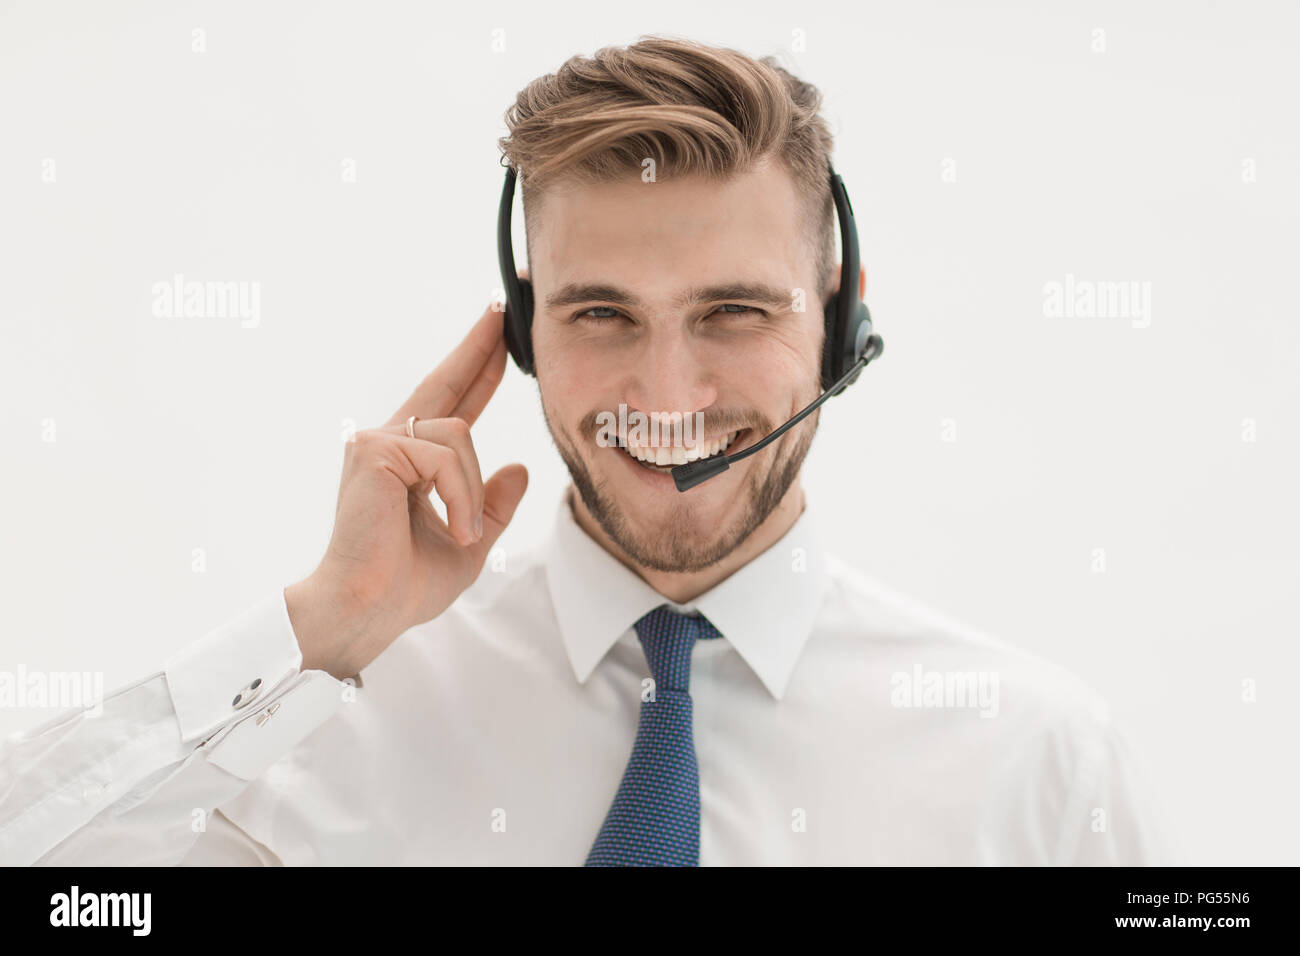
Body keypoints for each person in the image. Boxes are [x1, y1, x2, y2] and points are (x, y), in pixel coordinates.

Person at [0, 36, 1179, 866]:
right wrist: (318, 632)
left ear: (839, 323)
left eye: (733, 311)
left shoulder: (1037, 764)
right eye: (601, 313)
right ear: (522, 329)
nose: (666, 394)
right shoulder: (325, 725)